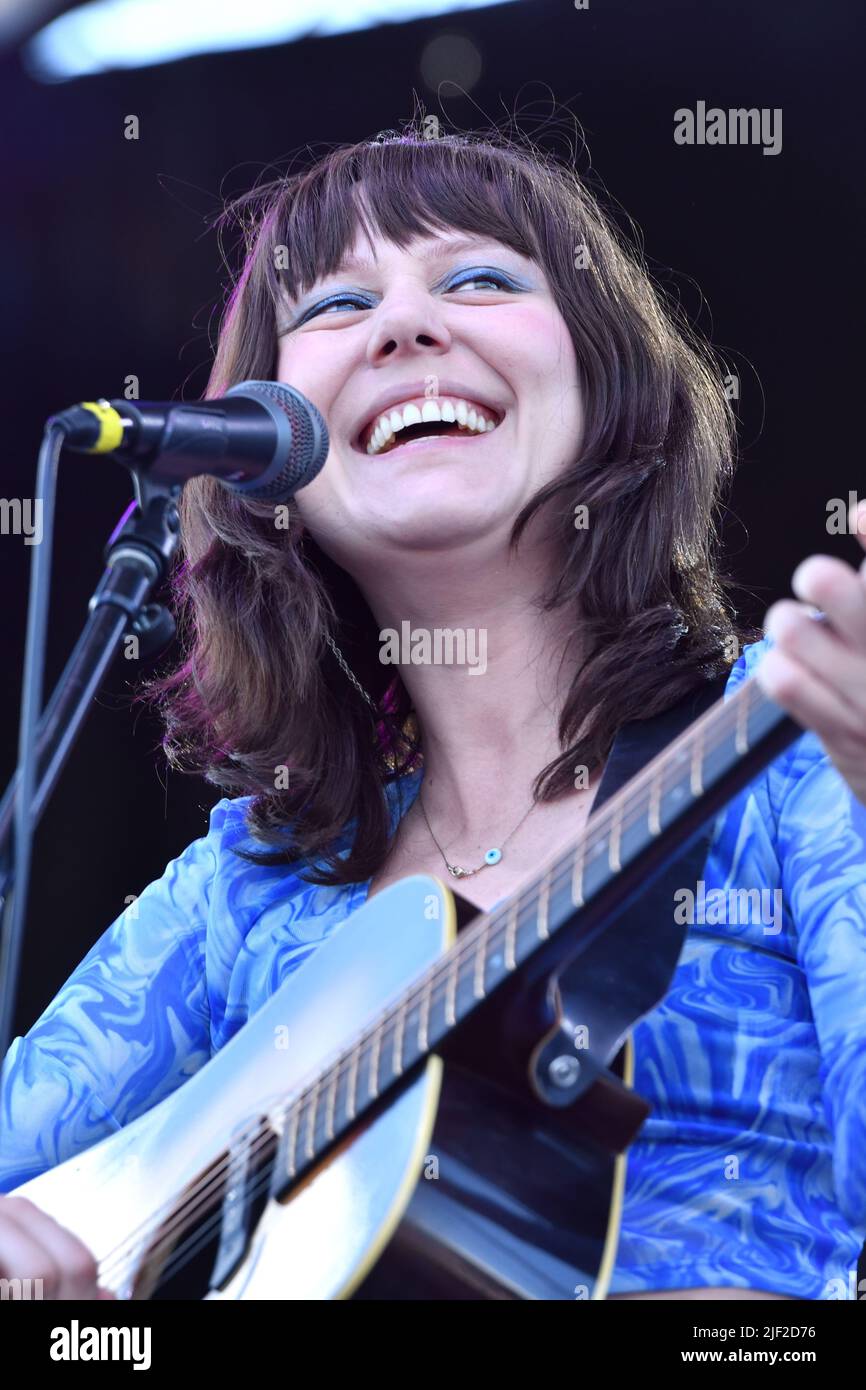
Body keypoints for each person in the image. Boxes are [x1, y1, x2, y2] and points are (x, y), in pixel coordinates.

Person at [1, 124, 865, 1302]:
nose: (404, 326)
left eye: (479, 279)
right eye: (335, 304)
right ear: (260, 459)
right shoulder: (250, 881)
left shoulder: (797, 746)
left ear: (605, 382)